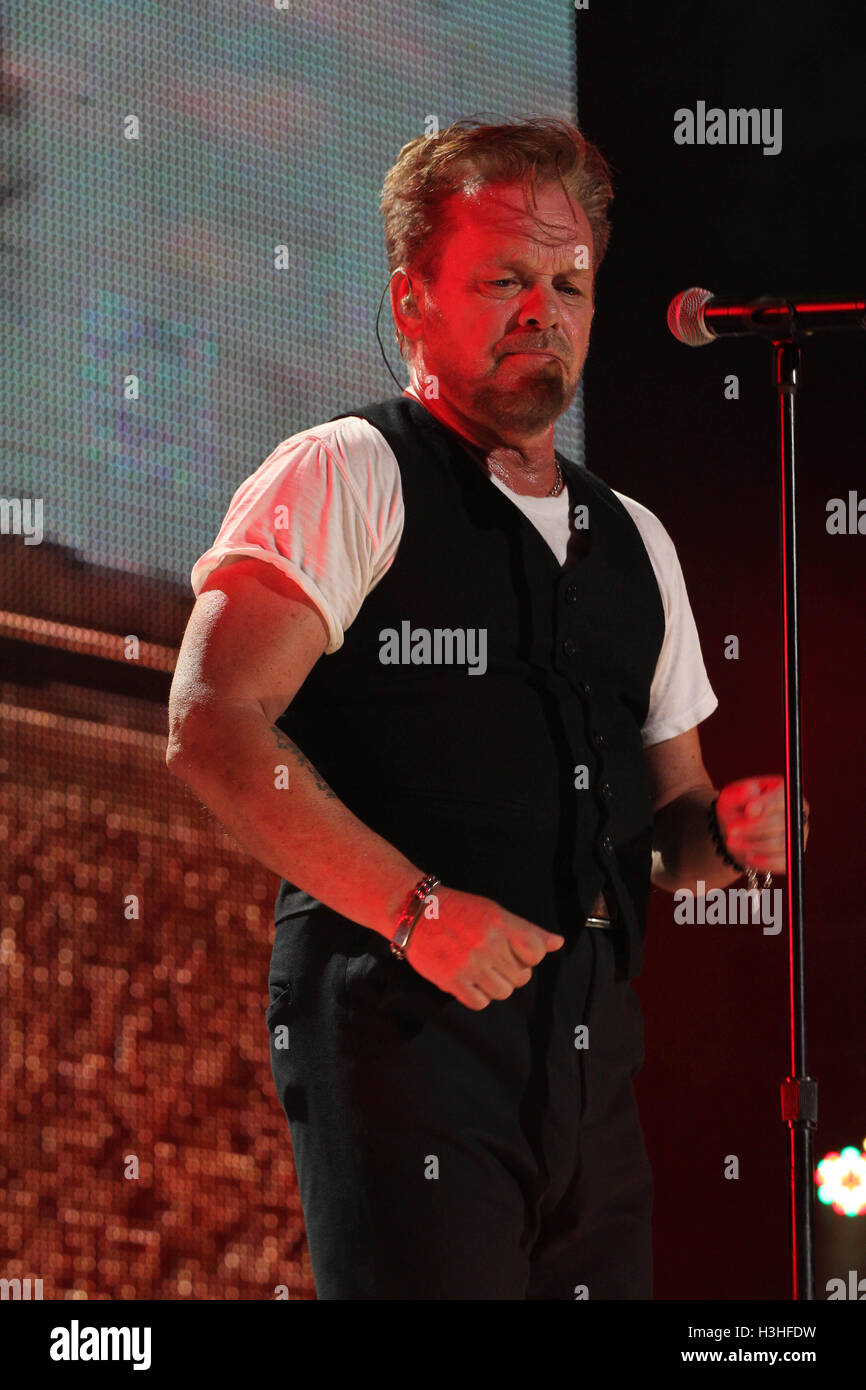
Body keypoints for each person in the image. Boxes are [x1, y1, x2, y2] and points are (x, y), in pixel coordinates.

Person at [166, 117, 808, 1300]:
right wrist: (413, 910)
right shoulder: (343, 472)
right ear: (412, 301)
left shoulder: (637, 541)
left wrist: (727, 835)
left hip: (591, 1074)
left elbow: (669, 823)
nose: (543, 309)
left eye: (568, 282)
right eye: (503, 277)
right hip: (402, 1044)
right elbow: (211, 724)